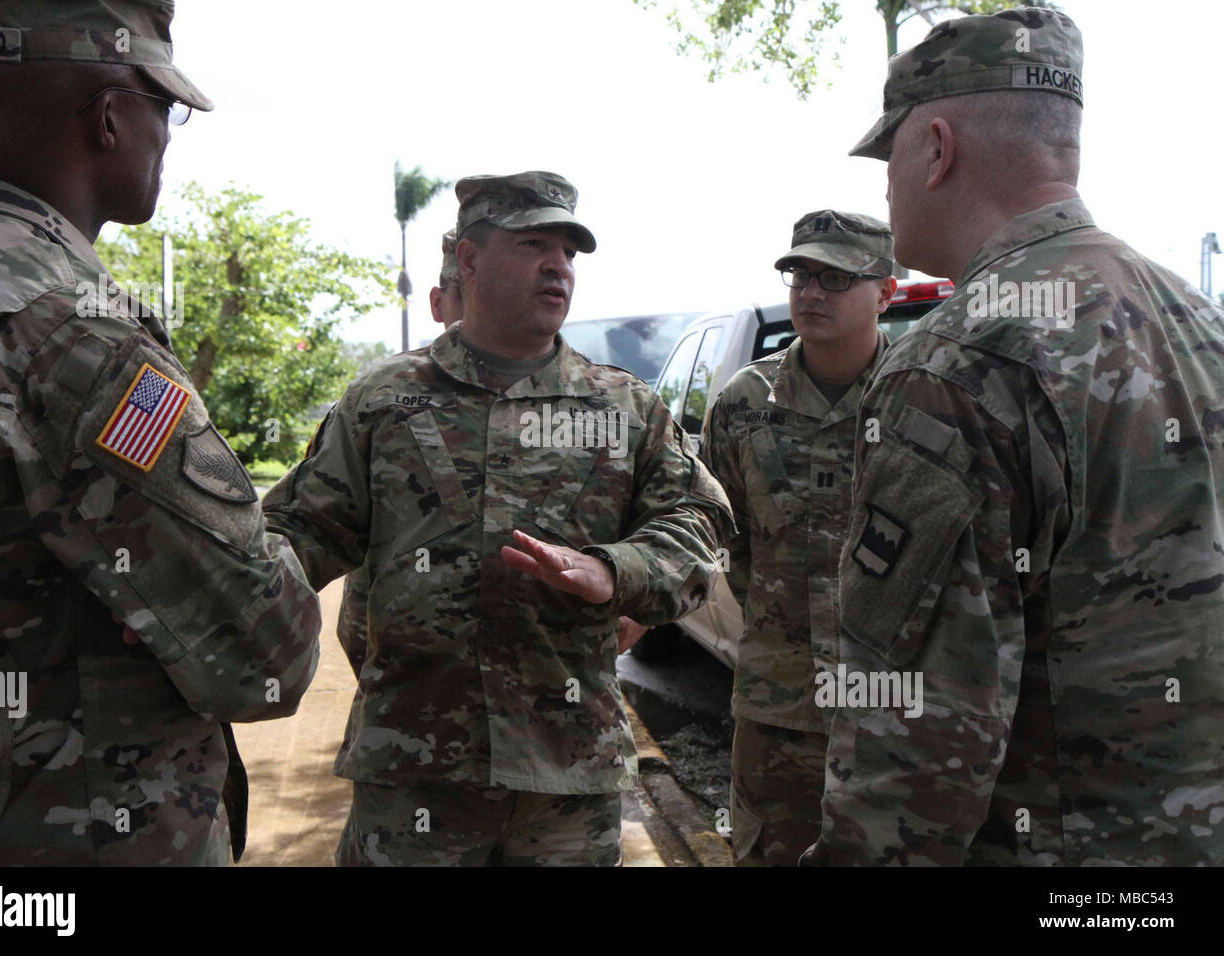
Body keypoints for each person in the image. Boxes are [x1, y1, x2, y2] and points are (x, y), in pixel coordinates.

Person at [809, 6, 1224, 865]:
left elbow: (914, 752)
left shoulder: (958, 362)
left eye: (889, 155)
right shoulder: (1198, 319)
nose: (883, 187)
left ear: (937, 147)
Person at [0, 0, 320, 866]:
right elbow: (269, 651)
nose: (169, 136)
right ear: (109, 118)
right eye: (165, 108)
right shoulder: (74, 342)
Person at [263, 170, 733, 866]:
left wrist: (618, 570)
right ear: (470, 260)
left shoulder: (623, 409)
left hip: (568, 777)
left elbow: (700, 522)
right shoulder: (385, 400)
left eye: (569, 251)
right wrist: (198, 601)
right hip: (413, 774)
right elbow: (297, 536)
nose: (558, 266)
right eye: (534, 243)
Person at [702, 210, 896, 865]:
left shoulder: (920, 399)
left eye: (835, 277)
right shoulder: (743, 403)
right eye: (799, 274)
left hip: (897, 706)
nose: (811, 291)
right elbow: (729, 539)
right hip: (779, 707)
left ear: (886, 293)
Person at [335, 227, 463, 676]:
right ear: (437, 303)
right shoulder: (383, 395)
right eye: (464, 298)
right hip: (400, 684)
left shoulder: (590, 404)